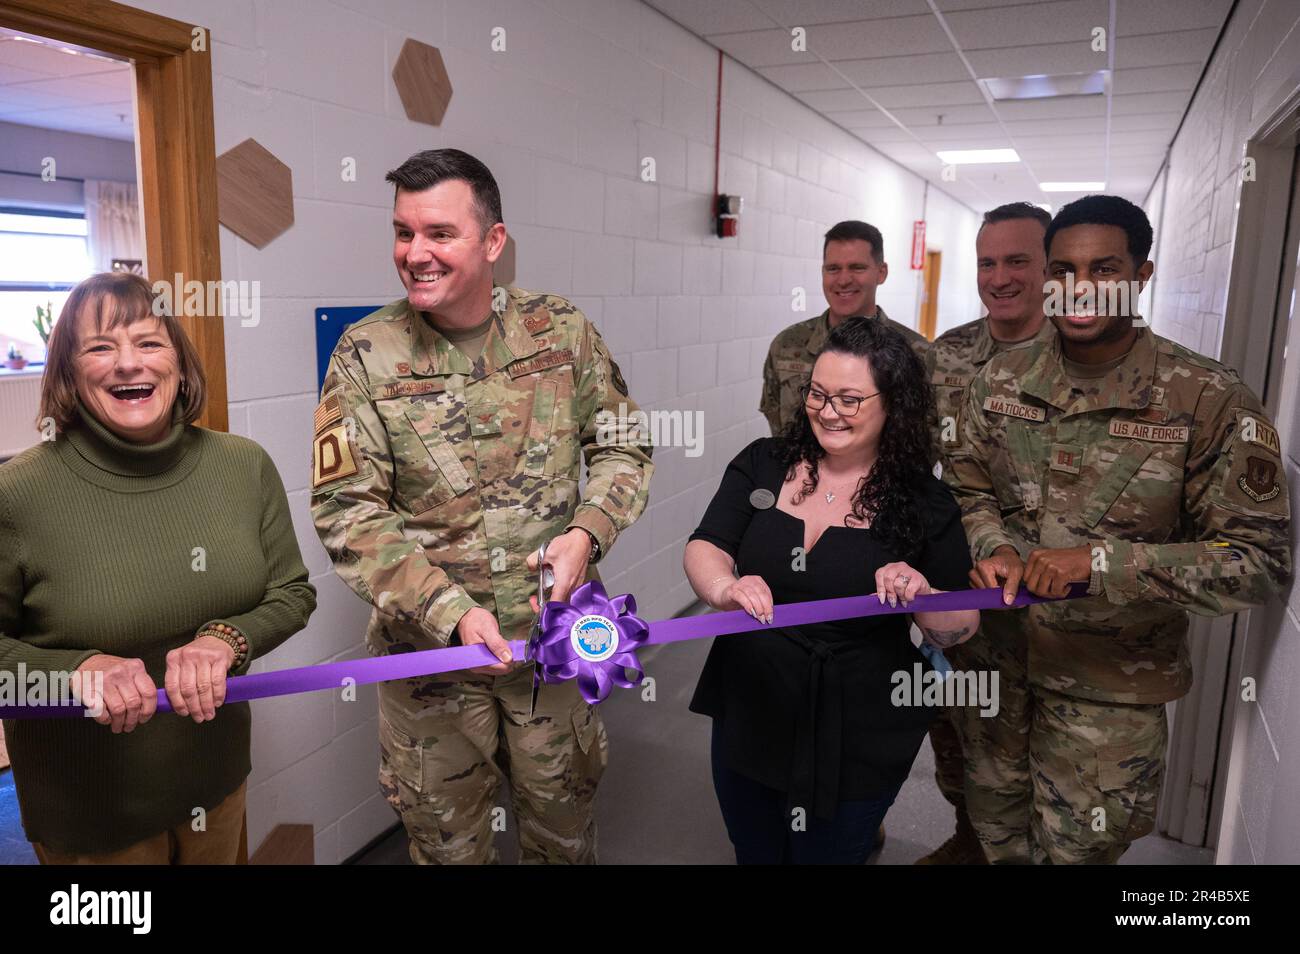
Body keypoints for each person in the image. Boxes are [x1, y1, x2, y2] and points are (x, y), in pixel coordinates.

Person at [311, 148, 653, 865]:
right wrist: (450, 611)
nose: (415, 253)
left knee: (563, 837)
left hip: (553, 652)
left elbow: (624, 449)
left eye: (439, 233)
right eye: (403, 233)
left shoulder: (561, 333)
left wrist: (587, 534)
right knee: (448, 850)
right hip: (430, 665)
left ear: (493, 241)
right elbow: (348, 511)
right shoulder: (365, 355)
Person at [945, 195, 1292, 864]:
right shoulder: (1000, 378)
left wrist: (1100, 564)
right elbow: (968, 486)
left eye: (1103, 269)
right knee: (993, 839)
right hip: (997, 670)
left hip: (1107, 695)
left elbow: (1257, 560)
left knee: (1075, 854)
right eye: (1062, 269)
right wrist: (992, 547)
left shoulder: (1205, 397)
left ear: (1143, 273)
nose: (1078, 289)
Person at [0, 271, 316, 864]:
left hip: (215, 786)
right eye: (100, 347)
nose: (128, 364)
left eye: (149, 342)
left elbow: (291, 593)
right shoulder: (17, 494)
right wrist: (77, 669)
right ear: (68, 370)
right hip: (91, 814)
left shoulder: (242, 466)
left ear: (177, 361)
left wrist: (227, 640)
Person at [686, 317, 978, 864]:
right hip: (752, 702)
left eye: (849, 399)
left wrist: (923, 597)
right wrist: (726, 586)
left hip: (859, 723)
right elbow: (706, 544)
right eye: (818, 394)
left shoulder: (924, 501)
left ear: (893, 404)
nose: (827, 411)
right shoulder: (764, 463)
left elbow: (959, 624)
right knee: (755, 849)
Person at [917, 201, 1055, 865]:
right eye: (988, 263)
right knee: (959, 741)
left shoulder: (1080, 354)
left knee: (1045, 766)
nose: (999, 277)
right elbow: (915, 468)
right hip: (962, 595)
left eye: (1017, 260)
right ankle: (969, 841)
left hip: (1060, 612)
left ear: (1050, 267)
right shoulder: (948, 356)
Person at [760, 220, 929, 436]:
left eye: (857, 268)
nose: (843, 280)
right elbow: (776, 422)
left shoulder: (918, 353)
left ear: (881, 272)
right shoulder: (787, 345)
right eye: (833, 269)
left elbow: (926, 438)